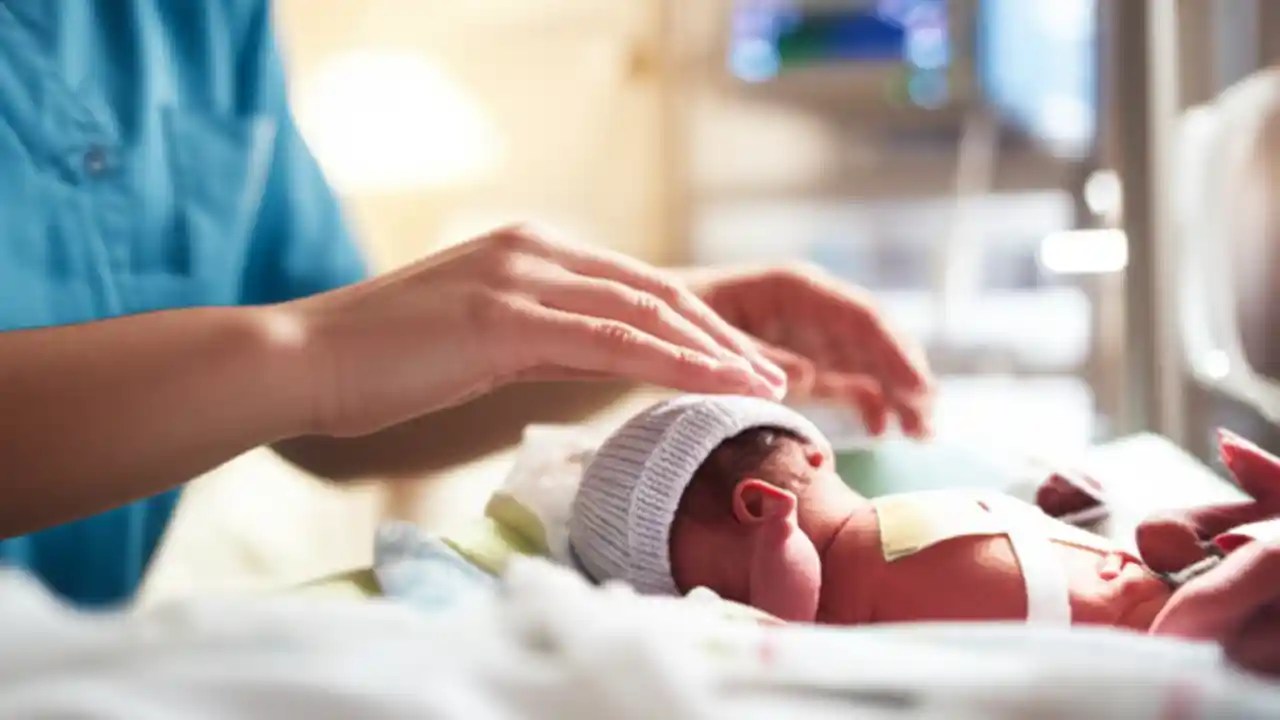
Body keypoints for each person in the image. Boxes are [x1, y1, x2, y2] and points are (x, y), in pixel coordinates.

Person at [0, 0, 932, 607]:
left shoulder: (204, 25)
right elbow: (319, 368)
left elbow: (337, 422)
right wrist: (316, 355)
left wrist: (653, 318)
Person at [569, 396, 1280, 672]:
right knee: (1221, 619)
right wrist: (777, 552)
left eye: (718, 584)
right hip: (1147, 642)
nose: (734, 600)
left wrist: (1047, 502)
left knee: (1160, 530)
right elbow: (782, 641)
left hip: (1148, 577)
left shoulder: (889, 510)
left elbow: (989, 530)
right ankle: (1264, 553)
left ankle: (1250, 525)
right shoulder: (811, 605)